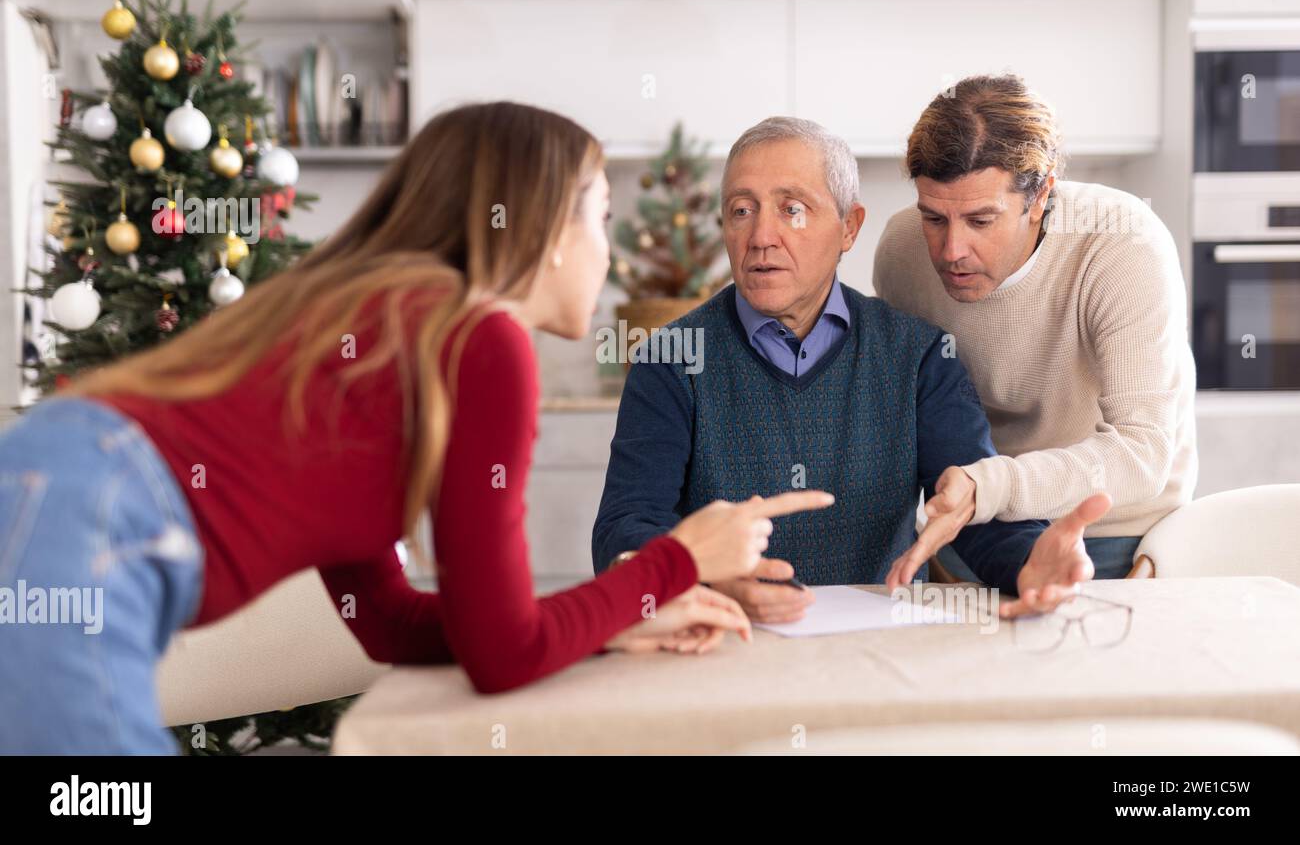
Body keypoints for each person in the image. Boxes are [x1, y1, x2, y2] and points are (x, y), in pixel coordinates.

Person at [0, 102, 836, 755]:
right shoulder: (483, 339)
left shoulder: (399, 334)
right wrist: (685, 555)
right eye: (603, 216)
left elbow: (391, 619)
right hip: (86, 526)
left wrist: (614, 617)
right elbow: (502, 655)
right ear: (542, 227)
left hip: (57, 491)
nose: (610, 254)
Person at [593, 115, 1109, 626]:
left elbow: (970, 515)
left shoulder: (920, 354)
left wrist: (1031, 560)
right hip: (723, 639)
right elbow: (624, 530)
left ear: (849, 227)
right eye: (741, 210)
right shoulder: (671, 357)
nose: (761, 236)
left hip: (875, 650)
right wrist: (702, 578)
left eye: (792, 210)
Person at [873, 75, 1197, 585]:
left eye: (981, 221)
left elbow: (1143, 451)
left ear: (1041, 195)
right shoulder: (901, 252)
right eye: (934, 218)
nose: (951, 251)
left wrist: (993, 486)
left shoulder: (1121, 245)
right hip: (976, 526)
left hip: (1115, 530)